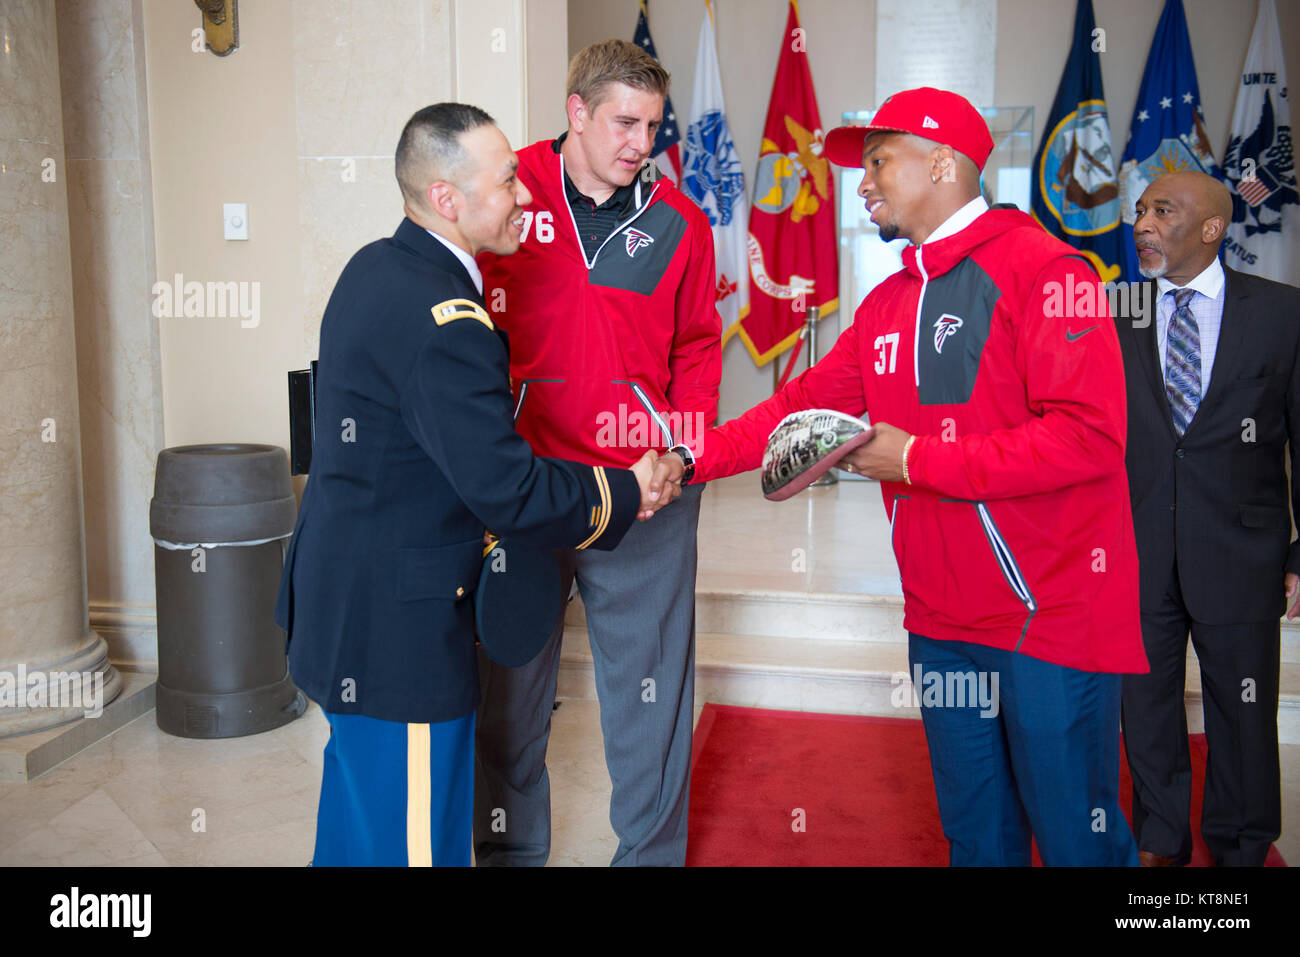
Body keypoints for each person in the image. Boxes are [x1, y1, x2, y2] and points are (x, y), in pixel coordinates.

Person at [649, 86, 1150, 866]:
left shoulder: (1049, 270)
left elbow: (1088, 439)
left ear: (943, 162)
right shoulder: (885, 305)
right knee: (977, 837)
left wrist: (916, 459)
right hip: (941, 622)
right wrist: (688, 460)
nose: (864, 183)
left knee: (1076, 839)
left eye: (879, 161)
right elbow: (793, 410)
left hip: (1049, 619)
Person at [274, 103, 669, 867]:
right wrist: (626, 490)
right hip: (399, 639)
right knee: (416, 845)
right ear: (448, 199)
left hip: (344, 608)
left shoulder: (373, 267)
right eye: (510, 179)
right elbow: (506, 488)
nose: (527, 194)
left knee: (360, 831)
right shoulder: (448, 322)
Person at [472, 39, 719, 867]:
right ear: (575, 112)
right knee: (507, 693)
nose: (639, 143)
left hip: (641, 491)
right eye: (623, 122)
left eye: (651, 125)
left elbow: (697, 348)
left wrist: (681, 455)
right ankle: (509, 852)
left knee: (648, 701)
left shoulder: (681, 223)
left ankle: (648, 858)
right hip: (528, 490)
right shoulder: (505, 195)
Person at [1118, 170, 1300, 866]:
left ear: (1212, 227)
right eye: (1140, 210)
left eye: (1162, 210)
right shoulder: (1117, 309)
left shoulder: (1283, 314)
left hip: (1242, 553)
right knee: (1147, 710)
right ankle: (1159, 843)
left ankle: (1243, 845)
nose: (1143, 222)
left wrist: (1299, 552)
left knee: (1244, 712)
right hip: (1138, 550)